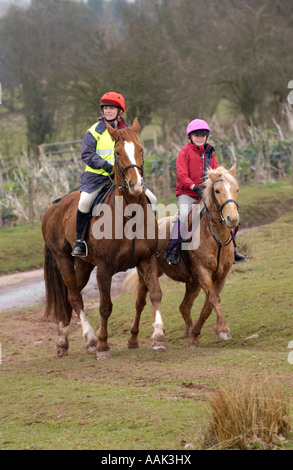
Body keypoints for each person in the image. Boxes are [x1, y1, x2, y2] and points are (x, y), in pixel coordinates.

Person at [72, 91, 156, 257]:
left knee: (152, 199)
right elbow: (87, 154)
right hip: (97, 177)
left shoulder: (128, 131)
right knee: (85, 202)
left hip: (124, 177)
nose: (108, 111)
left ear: (119, 111)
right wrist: (106, 166)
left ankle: (149, 237)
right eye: (105, 108)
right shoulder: (95, 130)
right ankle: (80, 242)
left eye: (111, 108)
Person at [164, 118, 246, 265]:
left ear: (206, 137)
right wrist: (195, 187)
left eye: (203, 135)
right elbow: (182, 176)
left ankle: (232, 249)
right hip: (187, 193)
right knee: (183, 216)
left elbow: (217, 172)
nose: (200, 138)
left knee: (227, 213)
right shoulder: (184, 153)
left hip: (207, 193)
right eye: (197, 135)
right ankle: (172, 251)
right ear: (190, 137)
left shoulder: (210, 153)